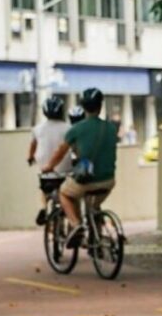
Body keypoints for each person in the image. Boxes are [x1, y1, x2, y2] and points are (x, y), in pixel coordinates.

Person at [42, 88, 119, 248]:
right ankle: (95, 237)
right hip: (109, 180)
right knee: (94, 206)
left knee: (65, 193)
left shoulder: (76, 129)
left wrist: (49, 166)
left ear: (83, 107)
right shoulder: (111, 128)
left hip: (87, 180)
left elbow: (60, 152)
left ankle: (76, 225)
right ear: (100, 106)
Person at [28, 96, 72, 225]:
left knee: (43, 190)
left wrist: (30, 158)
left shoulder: (37, 129)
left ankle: (43, 208)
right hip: (65, 171)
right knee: (68, 193)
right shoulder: (69, 128)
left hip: (46, 171)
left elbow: (32, 147)